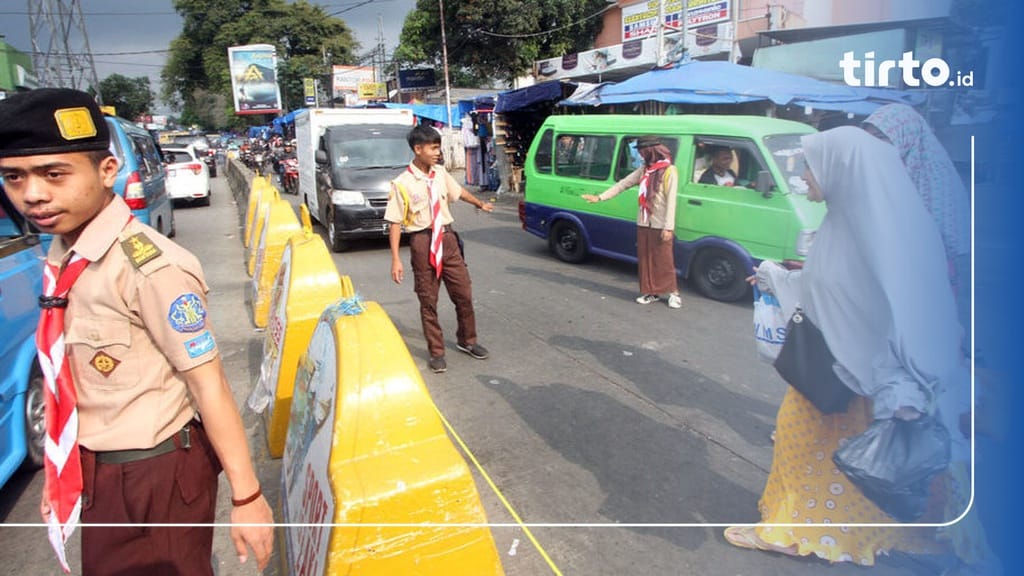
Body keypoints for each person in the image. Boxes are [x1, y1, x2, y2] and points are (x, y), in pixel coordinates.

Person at [0, 88, 273, 575]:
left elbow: (208, 383)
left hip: (151, 475)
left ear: (107, 171)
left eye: (54, 174)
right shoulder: (66, 249)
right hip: (97, 467)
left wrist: (248, 495)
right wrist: (60, 475)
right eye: (14, 177)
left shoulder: (148, 267)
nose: (33, 194)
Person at [723, 126, 990, 569]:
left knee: (805, 444)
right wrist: (774, 275)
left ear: (842, 169)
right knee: (849, 462)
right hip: (855, 374)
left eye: (809, 166)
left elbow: (908, 309)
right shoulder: (854, 220)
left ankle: (794, 532)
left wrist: (907, 386)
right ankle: (848, 532)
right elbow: (826, 287)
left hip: (869, 379)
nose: (803, 177)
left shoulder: (881, 230)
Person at [385, 124, 494, 374]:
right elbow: (394, 222)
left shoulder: (440, 173)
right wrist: (395, 260)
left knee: (463, 293)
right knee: (428, 299)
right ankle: (436, 352)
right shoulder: (401, 183)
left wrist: (479, 203)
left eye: (438, 147)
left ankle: (468, 340)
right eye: (433, 148)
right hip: (422, 242)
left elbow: (459, 192)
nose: (437, 152)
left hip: (447, 239)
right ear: (418, 149)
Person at [862, 103, 971, 337]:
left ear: (905, 135)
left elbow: (944, 240)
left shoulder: (934, 175)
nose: (876, 145)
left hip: (928, 279)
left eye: (881, 137)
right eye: (870, 138)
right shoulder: (897, 169)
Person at [582, 136, 682, 309]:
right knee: (646, 259)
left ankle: (673, 293)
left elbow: (671, 201)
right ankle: (651, 292)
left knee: (663, 259)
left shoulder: (669, 171)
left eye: (643, 151)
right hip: (644, 222)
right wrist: (599, 197)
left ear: (652, 151)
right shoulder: (645, 170)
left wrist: (668, 227)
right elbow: (622, 184)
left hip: (660, 224)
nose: (641, 155)